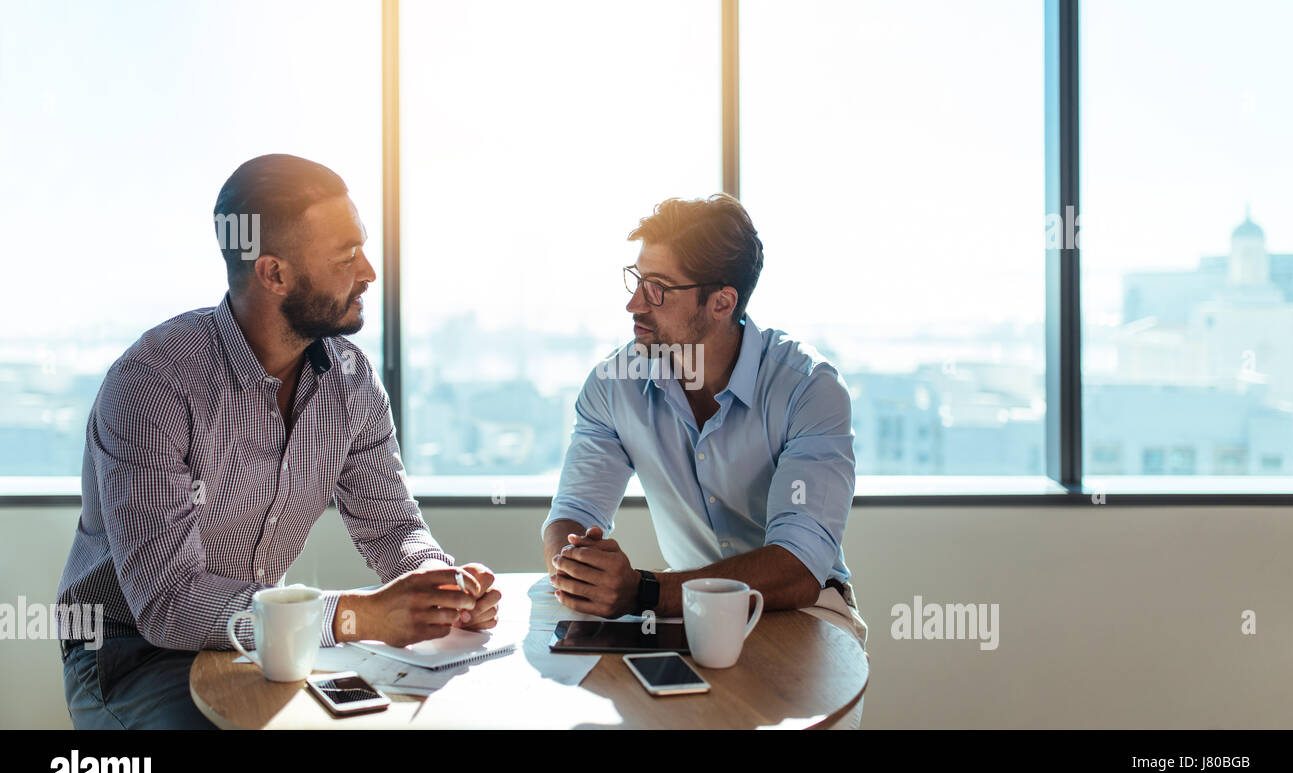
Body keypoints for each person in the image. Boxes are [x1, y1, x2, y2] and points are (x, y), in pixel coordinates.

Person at [56, 154, 500, 729]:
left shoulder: (351, 380)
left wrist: (441, 585)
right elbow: (165, 604)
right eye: (346, 256)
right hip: (129, 652)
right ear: (274, 273)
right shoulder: (154, 382)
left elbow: (393, 526)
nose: (369, 271)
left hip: (270, 639)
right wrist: (355, 616)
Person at [541, 194, 867, 678]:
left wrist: (643, 590)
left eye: (657, 289)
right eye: (636, 280)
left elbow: (797, 568)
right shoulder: (614, 386)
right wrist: (581, 568)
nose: (633, 304)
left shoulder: (808, 388)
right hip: (682, 612)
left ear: (721, 302)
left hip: (804, 609)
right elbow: (572, 513)